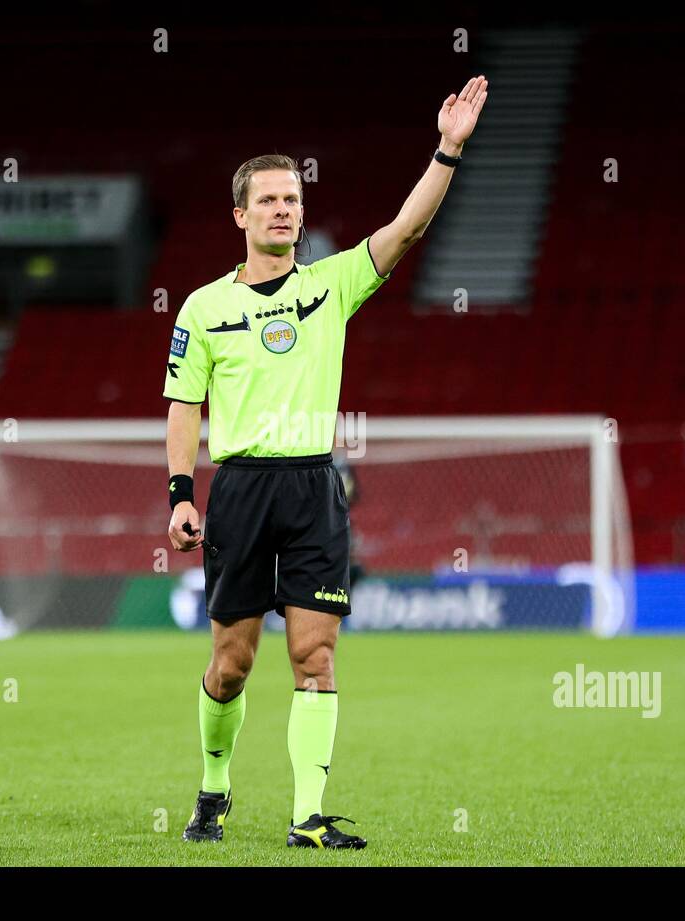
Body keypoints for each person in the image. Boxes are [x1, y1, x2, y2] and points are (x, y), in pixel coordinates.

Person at [163, 76, 489, 849]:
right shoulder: (204, 309)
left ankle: (307, 819)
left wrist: (448, 148)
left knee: (315, 655)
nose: (285, 209)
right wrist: (182, 494)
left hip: (314, 486)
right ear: (240, 215)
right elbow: (184, 408)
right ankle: (213, 786)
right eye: (269, 199)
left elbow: (407, 230)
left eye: (293, 199)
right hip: (239, 491)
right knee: (233, 665)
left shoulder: (330, 286)